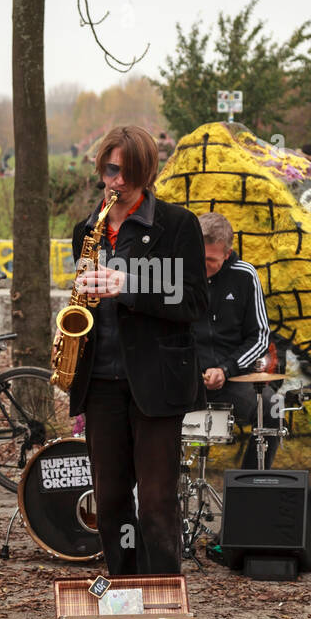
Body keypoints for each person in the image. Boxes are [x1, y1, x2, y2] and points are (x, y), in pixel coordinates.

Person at [67, 125, 207, 576]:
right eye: (111, 170)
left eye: (128, 173)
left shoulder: (178, 225)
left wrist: (129, 285)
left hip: (156, 382)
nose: (117, 182)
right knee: (109, 500)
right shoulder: (85, 230)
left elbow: (194, 302)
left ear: (146, 173)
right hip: (101, 381)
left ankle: (163, 595)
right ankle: (123, 590)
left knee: (156, 501)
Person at [192, 212, 279, 470]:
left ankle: (248, 486)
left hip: (231, 378)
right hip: (182, 379)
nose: (202, 266)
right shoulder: (177, 272)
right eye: (198, 257)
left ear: (227, 254)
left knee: (273, 409)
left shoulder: (244, 275)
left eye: (211, 260)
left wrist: (226, 369)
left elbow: (261, 335)